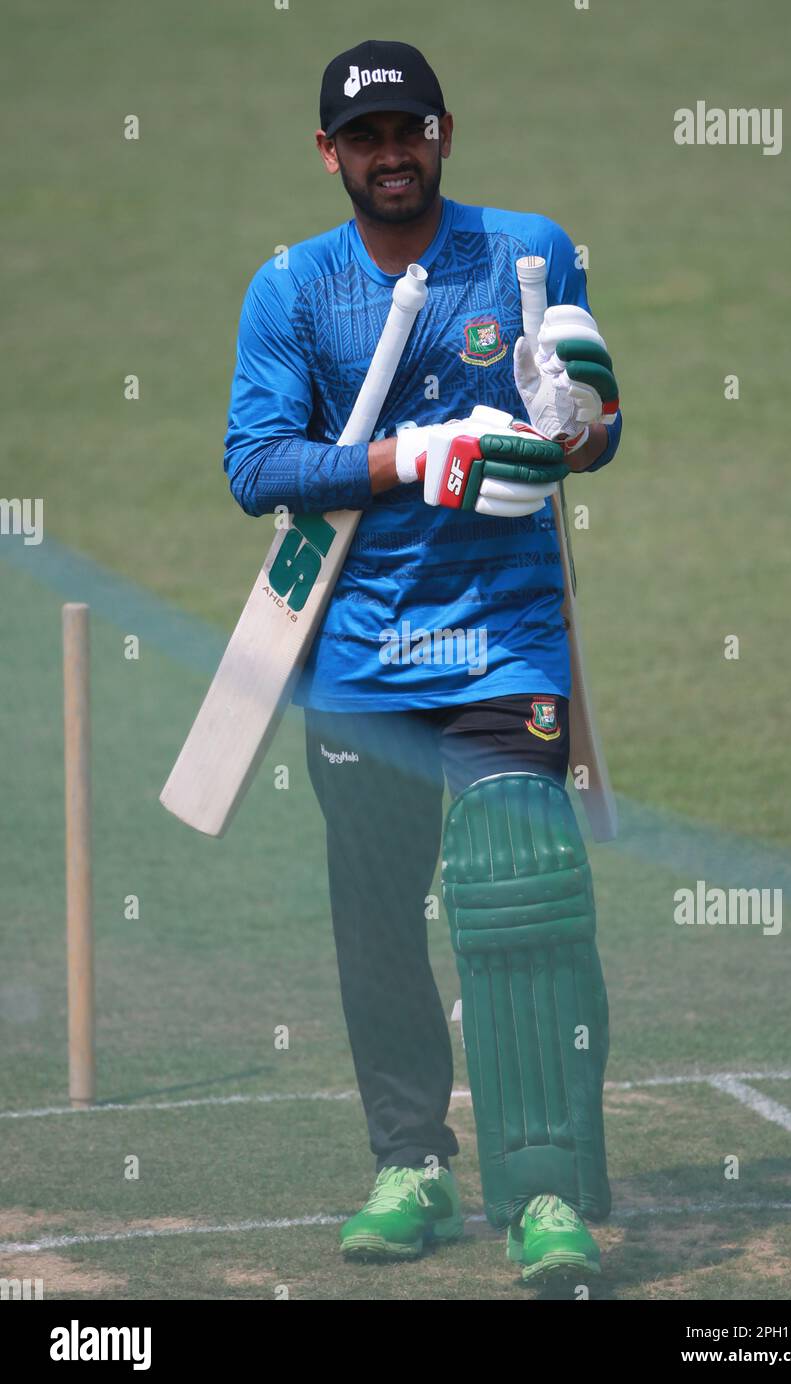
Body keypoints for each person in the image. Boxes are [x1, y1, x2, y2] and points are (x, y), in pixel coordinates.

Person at [224, 38, 622, 1287]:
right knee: (379, 921)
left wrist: (575, 423)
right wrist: (412, 458)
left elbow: (598, 430)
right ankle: (412, 1164)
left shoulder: (528, 249)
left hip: (506, 639)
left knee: (525, 896)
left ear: (445, 131)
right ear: (328, 152)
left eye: (409, 130)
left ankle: (548, 1184)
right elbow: (258, 466)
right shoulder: (290, 288)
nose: (389, 154)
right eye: (365, 137)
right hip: (358, 654)